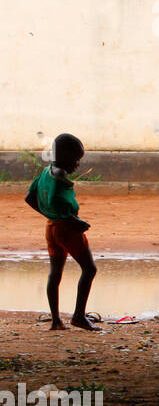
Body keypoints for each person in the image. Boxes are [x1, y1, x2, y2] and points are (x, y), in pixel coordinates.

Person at [24, 134, 99, 331]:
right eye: (76, 159)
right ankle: (79, 316)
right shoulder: (60, 178)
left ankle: (56, 320)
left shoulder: (46, 172)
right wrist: (71, 220)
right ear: (65, 155)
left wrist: (52, 216)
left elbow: (30, 198)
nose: (78, 165)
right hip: (67, 231)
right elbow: (55, 201)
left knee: (55, 274)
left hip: (51, 228)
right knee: (89, 269)